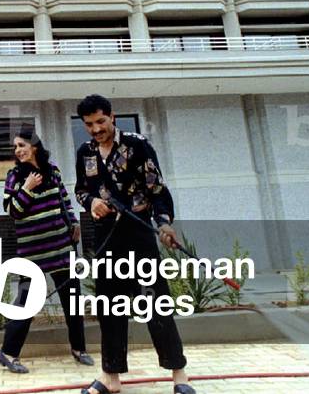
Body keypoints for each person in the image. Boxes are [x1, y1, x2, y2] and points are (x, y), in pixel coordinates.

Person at [73, 94, 194, 394]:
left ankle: (179, 376)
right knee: (109, 307)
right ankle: (110, 377)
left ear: (112, 116)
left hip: (139, 235)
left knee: (155, 303)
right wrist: (92, 203)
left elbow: (157, 190)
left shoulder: (137, 145)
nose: (96, 129)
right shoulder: (85, 152)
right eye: (89, 124)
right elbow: (81, 190)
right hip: (106, 237)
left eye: (101, 121)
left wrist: (163, 223)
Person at [0, 126, 94, 374]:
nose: (18, 150)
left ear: (35, 146)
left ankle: (79, 349)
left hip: (61, 247)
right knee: (26, 304)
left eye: (22, 145)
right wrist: (27, 188)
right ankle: (8, 353)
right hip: (33, 253)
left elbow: (64, 201)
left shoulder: (53, 171)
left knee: (72, 300)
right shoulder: (14, 177)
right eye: (15, 147)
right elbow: (12, 211)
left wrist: (74, 222)